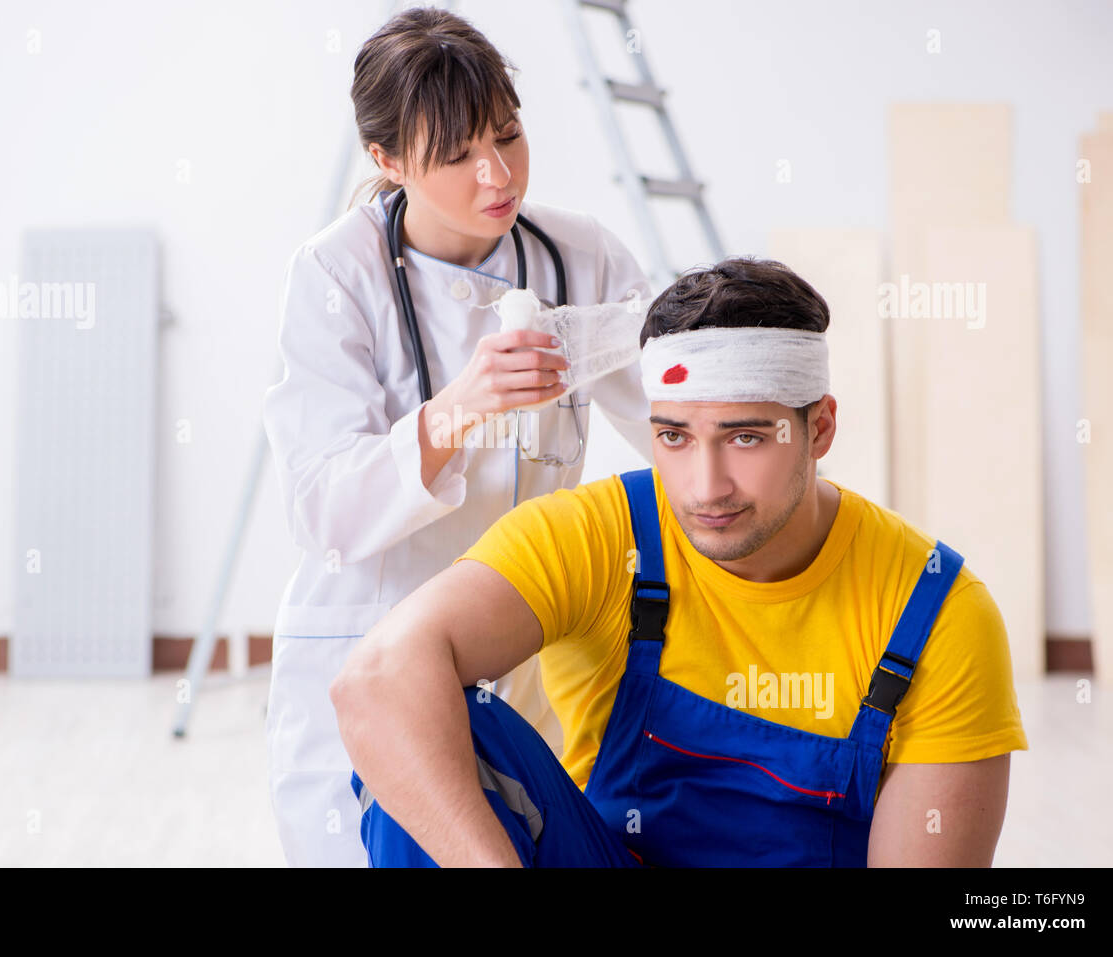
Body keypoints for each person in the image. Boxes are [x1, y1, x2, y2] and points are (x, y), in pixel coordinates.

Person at [331, 256, 1030, 867]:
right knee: (433, 727)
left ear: (818, 428)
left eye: (746, 437)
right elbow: (374, 681)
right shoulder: (604, 537)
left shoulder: (936, 613)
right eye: (674, 436)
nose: (705, 486)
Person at [261, 7, 658, 867]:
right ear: (387, 161)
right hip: (364, 651)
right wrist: (457, 410)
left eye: (508, 136)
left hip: (515, 657)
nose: (496, 174)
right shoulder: (335, 276)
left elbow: (672, 396)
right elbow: (323, 511)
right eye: (456, 156)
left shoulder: (577, 254)